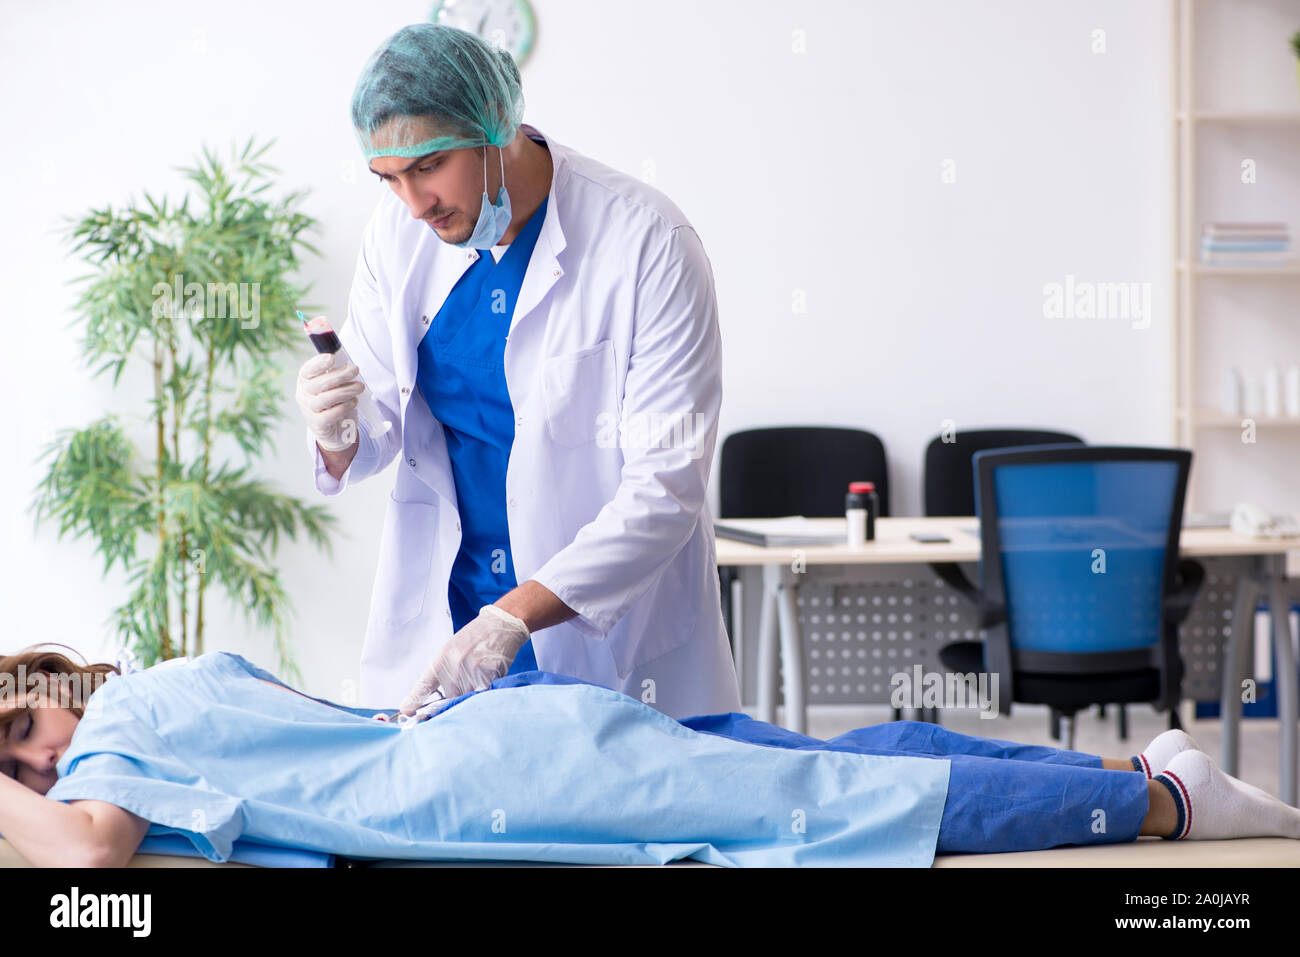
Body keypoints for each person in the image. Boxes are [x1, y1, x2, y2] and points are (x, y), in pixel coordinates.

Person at [294, 22, 740, 720]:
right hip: (450, 632)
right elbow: (378, 424)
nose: (414, 204)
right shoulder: (397, 235)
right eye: (390, 178)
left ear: (496, 128)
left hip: (599, 636)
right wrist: (335, 428)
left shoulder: (649, 242)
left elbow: (663, 491)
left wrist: (515, 616)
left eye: (429, 166)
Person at [4, 645, 1299, 868]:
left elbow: (90, 855)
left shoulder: (114, 732)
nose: (40, 766)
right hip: (524, 738)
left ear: (53, 688)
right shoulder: (179, 683)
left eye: (21, 733)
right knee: (821, 758)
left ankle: (1170, 808)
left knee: (838, 803)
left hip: (514, 777)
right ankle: (1138, 771)